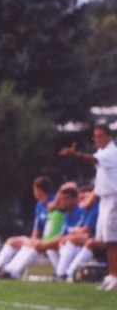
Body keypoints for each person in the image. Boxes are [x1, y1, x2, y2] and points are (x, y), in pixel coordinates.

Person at [60, 121, 117, 291]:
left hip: (113, 199)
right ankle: (112, 274)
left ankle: (115, 276)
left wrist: (76, 154)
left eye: (100, 136)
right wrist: (92, 197)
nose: (97, 139)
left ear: (109, 137)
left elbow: (91, 159)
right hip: (104, 200)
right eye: (96, 136)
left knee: (112, 241)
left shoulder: (111, 152)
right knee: (105, 241)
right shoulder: (102, 152)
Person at [0, 185, 79, 279]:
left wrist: (60, 191)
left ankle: (12, 272)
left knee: (37, 246)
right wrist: (34, 239)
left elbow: (71, 186)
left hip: (64, 241)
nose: (62, 202)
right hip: (56, 240)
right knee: (27, 244)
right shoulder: (64, 212)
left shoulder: (74, 210)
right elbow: (40, 227)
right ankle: (7, 270)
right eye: (62, 199)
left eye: (65, 199)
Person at [0, 176, 58, 278]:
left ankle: (11, 272)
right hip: (41, 238)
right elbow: (37, 228)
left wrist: (35, 241)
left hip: (51, 238)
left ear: (38, 189)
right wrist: (32, 239)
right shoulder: (39, 205)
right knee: (12, 241)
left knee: (33, 245)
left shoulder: (55, 203)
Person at [53, 184, 99, 280]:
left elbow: (87, 230)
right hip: (91, 238)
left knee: (72, 240)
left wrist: (72, 234)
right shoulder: (87, 210)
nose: (82, 200)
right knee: (63, 242)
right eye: (81, 198)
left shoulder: (94, 208)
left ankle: (67, 273)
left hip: (99, 239)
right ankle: (62, 273)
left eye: (86, 197)